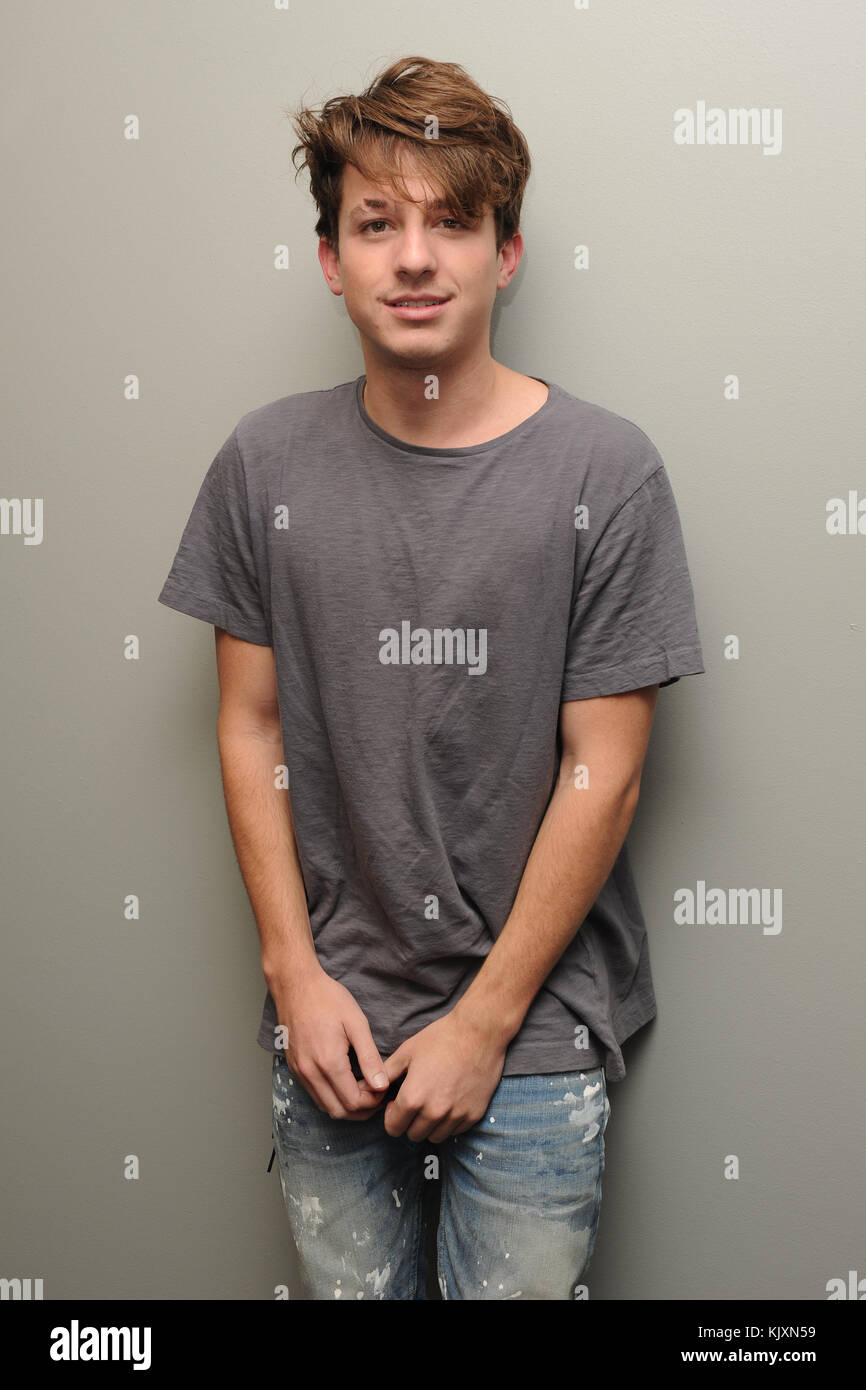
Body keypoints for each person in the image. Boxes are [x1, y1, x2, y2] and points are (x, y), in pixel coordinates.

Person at [157, 55, 705, 1300]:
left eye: (452, 221)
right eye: (376, 222)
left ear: (504, 254)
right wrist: (294, 977)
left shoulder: (603, 472)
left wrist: (481, 1024)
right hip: (332, 1028)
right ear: (329, 258)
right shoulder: (262, 464)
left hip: (534, 1040)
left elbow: (602, 774)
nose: (414, 256)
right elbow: (247, 730)